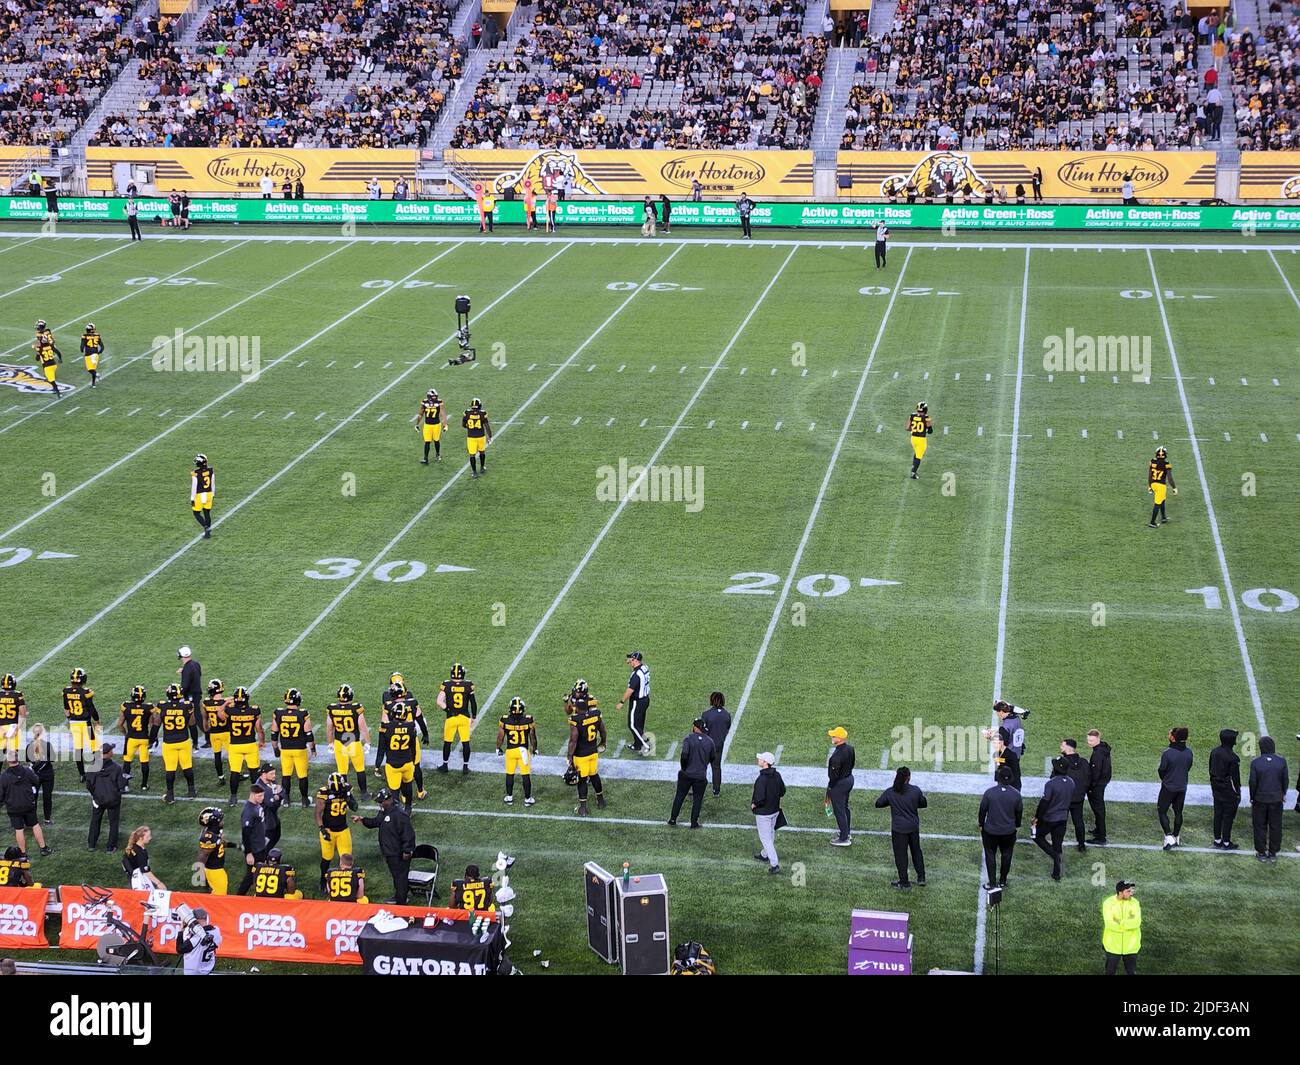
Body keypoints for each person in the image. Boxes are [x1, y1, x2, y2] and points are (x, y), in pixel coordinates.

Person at [355, 788, 415, 904]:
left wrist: (407, 851)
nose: (380, 803)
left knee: (400, 877)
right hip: (390, 852)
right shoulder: (384, 811)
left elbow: (408, 834)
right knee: (397, 876)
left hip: (398, 853)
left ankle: (401, 902)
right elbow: (376, 822)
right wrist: (363, 820)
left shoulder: (399, 814)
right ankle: (400, 895)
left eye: (381, 801)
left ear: (389, 800)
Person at [874, 767, 927, 888]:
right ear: (908, 777)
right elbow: (923, 803)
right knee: (916, 851)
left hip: (899, 829)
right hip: (913, 827)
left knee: (901, 855)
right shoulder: (915, 791)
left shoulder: (891, 792)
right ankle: (921, 877)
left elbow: (878, 804)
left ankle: (904, 882)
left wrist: (891, 802)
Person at [979, 765, 1022, 888]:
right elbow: (1019, 812)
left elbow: (982, 810)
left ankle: (992, 882)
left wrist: (981, 824)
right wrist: (1016, 826)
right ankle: (1003, 880)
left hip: (991, 831)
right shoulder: (1016, 794)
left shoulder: (989, 793)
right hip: (1008, 831)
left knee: (990, 855)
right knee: (1007, 855)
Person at [567, 680, 606, 815]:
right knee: (594, 775)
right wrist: (603, 742)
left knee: (582, 779)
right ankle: (600, 800)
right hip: (592, 750)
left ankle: (583, 808)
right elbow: (602, 729)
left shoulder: (575, 720)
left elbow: (573, 740)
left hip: (581, 754)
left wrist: (569, 756)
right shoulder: (596, 715)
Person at [271, 688, 315, 807]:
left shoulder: (279, 713)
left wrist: (275, 748)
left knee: (286, 775)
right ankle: (305, 800)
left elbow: (274, 734)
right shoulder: (303, 713)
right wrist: (313, 749)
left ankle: (286, 800)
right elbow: (309, 734)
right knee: (302, 776)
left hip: (285, 750)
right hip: (300, 749)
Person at [314, 772, 358, 891]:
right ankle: (323, 880)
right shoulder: (324, 793)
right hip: (328, 829)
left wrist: (348, 797)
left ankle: (346, 881)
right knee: (326, 858)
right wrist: (322, 829)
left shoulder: (347, 789)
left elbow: (355, 807)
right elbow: (318, 813)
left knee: (346, 858)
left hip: (343, 829)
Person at [1248, 737, 1289, 862]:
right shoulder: (1281, 761)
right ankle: (1273, 853)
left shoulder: (1256, 763)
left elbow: (1253, 782)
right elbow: (1285, 780)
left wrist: (1252, 797)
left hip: (1260, 799)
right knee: (1276, 826)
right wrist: (1283, 794)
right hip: (1276, 799)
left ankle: (1261, 852)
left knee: (1260, 825)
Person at [0, 751, 48, 856]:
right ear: (18, 759)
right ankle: (43, 848)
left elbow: (1, 795)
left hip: (13, 807)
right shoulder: (27, 771)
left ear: (7, 761)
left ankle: (22, 854)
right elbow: (36, 781)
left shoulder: (3, 776)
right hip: (28, 804)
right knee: (35, 824)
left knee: (19, 829)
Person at [668, 720, 714, 829]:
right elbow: (712, 758)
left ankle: (673, 819)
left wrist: (684, 768)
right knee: (698, 799)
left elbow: (684, 755)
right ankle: (694, 823)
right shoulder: (710, 741)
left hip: (686, 774)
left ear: (695, 727)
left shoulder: (689, 738)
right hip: (700, 775)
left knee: (679, 796)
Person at [1033, 757, 1073, 881]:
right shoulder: (1071, 782)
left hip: (1049, 818)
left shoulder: (1051, 784)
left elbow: (1044, 803)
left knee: (1036, 836)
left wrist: (1037, 818)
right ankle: (1056, 873)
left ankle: (1054, 856)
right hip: (1063, 818)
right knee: (1058, 844)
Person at [325, 684, 369, 794]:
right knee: (360, 769)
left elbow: (330, 729)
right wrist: (367, 742)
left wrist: (330, 743)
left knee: (342, 770)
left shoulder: (332, 709)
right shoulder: (356, 708)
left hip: (340, 742)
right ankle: (364, 793)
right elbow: (362, 727)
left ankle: (344, 793)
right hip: (353, 741)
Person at [436, 661, 476, 775]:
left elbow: (439, 701)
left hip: (451, 718)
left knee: (447, 743)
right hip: (464, 718)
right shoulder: (468, 685)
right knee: (465, 742)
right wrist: (474, 716)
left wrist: (448, 710)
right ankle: (465, 767)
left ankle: (445, 765)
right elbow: (473, 703)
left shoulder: (447, 684)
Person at [496, 696, 537, 807]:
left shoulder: (505, 720)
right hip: (523, 751)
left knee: (510, 774)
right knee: (525, 775)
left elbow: (500, 737)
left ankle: (509, 797)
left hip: (511, 751)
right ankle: (527, 799)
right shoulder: (528, 719)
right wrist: (535, 748)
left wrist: (498, 747)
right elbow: (532, 737)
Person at [86, 743, 126, 852]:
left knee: (95, 821)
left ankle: (92, 844)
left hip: (98, 799)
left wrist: (95, 796)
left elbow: (89, 785)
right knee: (113, 822)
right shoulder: (117, 768)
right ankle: (110, 847)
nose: (112, 751)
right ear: (108, 754)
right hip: (113, 800)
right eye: (111, 750)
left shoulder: (92, 767)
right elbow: (121, 786)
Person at [62, 667, 100, 781]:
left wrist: (69, 718)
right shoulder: (86, 692)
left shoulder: (66, 691)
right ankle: (98, 769)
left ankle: (82, 774)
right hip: (85, 723)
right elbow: (91, 708)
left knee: (78, 748)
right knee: (94, 745)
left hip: (74, 723)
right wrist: (97, 719)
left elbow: (66, 708)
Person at [1157, 726, 1192, 850]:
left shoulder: (1168, 753)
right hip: (1182, 787)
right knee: (1178, 812)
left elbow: (1161, 770)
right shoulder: (1189, 752)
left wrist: (1167, 779)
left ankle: (1169, 837)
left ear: (1173, 737)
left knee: (1162, 811)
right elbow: (1188, 767)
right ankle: (1176, 836)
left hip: (1168, 787)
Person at [751, 753, 785, 874]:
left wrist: (754, 805)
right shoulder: (777, 775)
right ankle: (764, 854)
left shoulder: (761, 779)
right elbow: (782, 791)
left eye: (760, 759)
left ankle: (774, 864)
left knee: (766, 838)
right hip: (774, 810)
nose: (758, 759)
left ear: (765, 762)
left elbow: (759, 798)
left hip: (763, 814)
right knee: (770, 833)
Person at [1209, 728, 1242, 850]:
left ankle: (1217, 840)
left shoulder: (1214, 752)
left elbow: (1210, 771)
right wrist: (1237, 793)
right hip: (1229, 792)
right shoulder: (1233, 758)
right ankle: (1226, 842)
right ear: (1232, 741)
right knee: (1228, 816)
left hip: (1216, 789)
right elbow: (1235, 779)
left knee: (1218, 814)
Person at [1101, 881, 1141, 975]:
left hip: (1131, 946)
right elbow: (1109, 924)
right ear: (1120, 892)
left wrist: (1120, 922)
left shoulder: (1135, 903)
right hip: (1112, 946)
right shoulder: (1108, 903)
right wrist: (1128, 923)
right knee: (1110, 972)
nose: (1131, 893)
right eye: (1128, 891)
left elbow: (1136, 923)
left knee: (1131, 972)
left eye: (1131, 891)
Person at [236, 783, 270, 895]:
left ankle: (261, 889)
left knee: (261, 869)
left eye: (263, 796)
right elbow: (245, 834)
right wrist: (249, 853)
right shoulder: (248, 811)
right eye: (260, 796)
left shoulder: (256, 805)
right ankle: (239, 896)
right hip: (255, 849)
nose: (262, 798)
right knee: (251, 874)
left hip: (260, 845)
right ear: (253, 795)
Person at [616, 651, 651, 755]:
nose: (629, 661)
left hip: (637, 701)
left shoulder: (636, 675)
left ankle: (646, 746)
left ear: (635, 660)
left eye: (631, 659)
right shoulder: (645, 667)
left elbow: (630, 690)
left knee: (632, 725)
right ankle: (637, 744)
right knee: (639, 723)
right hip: (645, 699)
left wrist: (621, 702)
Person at [826, 726, 855, 846]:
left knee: (839, 811)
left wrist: (830, 787)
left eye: (834, 736)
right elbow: (852, 764)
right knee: (845, 807)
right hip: (849, 779)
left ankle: (844, 838)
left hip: (840, 784)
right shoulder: (850, 749)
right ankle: (846, 832)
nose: (832, 737)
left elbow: (834, 776)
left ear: (840, 738)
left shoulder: (836, 757)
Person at [1061, 738, 1091, 850]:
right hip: (1079, 797)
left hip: (1065, 798)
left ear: (1068, 747)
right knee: (1078, 821)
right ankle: (1081, 844)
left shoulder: (1061, 762)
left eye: (1062, 746)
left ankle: (1058, 843)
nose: (1061, 747)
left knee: (1062, 821)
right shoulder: (1083, 762)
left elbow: (1055, 780)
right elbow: (1089, 779)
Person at [200, 679, 230, 783]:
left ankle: (220, 777)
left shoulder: (206, 703)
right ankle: (237, 774)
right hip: (226, 732)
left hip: (213, 733)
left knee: (217, 755)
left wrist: (206, 730)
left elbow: (205, 718)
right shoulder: (226, 703)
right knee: (232, 755)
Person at [701, 692, 731, 795]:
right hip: (718, 745)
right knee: (716, 767)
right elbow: (727, 729)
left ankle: (696, 787)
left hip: (707, 745)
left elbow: (703, 730)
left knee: (701, 766)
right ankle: (716, 790)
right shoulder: (727, 715)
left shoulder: (706, 714)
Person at [177, 907, 221, 975]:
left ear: (195, 920)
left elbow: (179, 949)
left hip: (194, 973)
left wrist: (181, 931)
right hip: (208, 971)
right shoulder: (216, 932)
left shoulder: (197, 937)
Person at [24, 725, 53, 827]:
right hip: (47, 774)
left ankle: (33, 820)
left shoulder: (29, 746)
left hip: (34, 775)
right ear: (43, 733)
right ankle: (47, 820)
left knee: (33, 797)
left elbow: (28, 762)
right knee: (47, 797)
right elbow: (51, 760)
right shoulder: (48, 745)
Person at [1086, 729, 1112, 843]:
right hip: (1103, 781)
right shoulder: (1103, 748)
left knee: (1098, 809)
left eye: (1091, 740)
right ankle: (1098, 830)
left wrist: (1091, 787)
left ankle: (1101, 837)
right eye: (1088, 740)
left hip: (1098, 785)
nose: (1089, 742)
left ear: (1098, 739)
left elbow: (1095, 773)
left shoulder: (1097, 754)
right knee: (1099, 808)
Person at [122, 826, 164, 891]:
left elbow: (124, 860)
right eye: (148, 836)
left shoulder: (133, 846)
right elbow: (145, 871)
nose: (150, 838)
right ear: (141, 838)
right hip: (138, 879)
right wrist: (159, 883)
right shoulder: (140, 853)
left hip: (132, 876)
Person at [196, 806, 227, 894]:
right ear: (214, 822)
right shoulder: (209, 838)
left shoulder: (216, 831)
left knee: (219, 893)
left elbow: (220, 843)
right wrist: (201, 875)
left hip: (217, 867)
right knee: (220, 896)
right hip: (214, 870)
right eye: (220, 820)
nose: (222, 821)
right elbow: (202, 856)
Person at [177, 646, 203, 745]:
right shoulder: (195, 664)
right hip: (197, 693)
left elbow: (185, 685)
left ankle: (205, 738)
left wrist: (179, 693)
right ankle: (206, 737)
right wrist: (184, 671)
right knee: (198, 715)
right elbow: (196, 674)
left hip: (190, 695)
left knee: (193, 718)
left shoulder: (187, 668)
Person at [256, 764, 284, 851]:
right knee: (266, 843)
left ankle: (265, 855)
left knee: (276, 836)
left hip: (272, 818)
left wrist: (277, 796)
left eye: (274, 773)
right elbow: (273, 805)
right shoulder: (261, 788)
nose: (274, 776)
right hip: (265, 822)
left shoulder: (270, 781)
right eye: (271, 773)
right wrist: (278, 795)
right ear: (264, 774)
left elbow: (283, 791)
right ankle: (261, 859)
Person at [1147, 447, 1177, 529]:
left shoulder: (1152, 462)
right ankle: (1152, 522)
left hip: (1153, 484)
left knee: (1162, 499)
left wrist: (1150, 485)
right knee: (1157, 503)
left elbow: (1150, 475)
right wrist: (1174, 487)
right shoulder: (1166, 464)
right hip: (1161, 486)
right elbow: (1170, 478)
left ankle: (1163, 517)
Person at [463, 397, 492, 480]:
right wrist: (490, 436)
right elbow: (487, 426)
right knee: (482, 452)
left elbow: (463, 424)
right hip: (480, 436)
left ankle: (474, 472)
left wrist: (470, 427)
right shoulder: (482, 413)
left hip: (471, 436)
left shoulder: (467, 413)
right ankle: (482, 467)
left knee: (472, 454)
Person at [0, 675, 25, 761]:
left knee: (0, 754)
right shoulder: (17, 695)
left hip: (1, 727)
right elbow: (23, 714)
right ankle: (14, 773)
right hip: (13, 726)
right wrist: (17, 728)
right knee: (13, 756)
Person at [907, 401, 932, 479]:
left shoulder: (912, 416)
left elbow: (907, 428)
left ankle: (914, 469)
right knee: (918, 456)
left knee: (917, 454)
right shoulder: (926, 417)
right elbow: (930, 431)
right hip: (921, 440)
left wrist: (915, 429)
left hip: (913, 438)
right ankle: (913, 473)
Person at [191, 454, 215, 539]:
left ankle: (205, 527)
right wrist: (212, 494)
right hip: (209, 494)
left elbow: (194, 487)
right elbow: (212, 483)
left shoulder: (195, 474)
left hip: (199, 495)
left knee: (196, 513)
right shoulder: (211, 470)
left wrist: (192, 499)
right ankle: (208, 533)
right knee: (207, 513)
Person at [80, 322, 104, 388]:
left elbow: (82, 345)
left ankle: (97, 375)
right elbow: (102, 347)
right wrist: (99, 353)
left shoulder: (84, 336)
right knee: (93, 369)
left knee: (90, 370)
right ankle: (93, 384)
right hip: (95, 355)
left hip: (88, 355)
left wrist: (82, 350)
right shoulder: (97, 335)